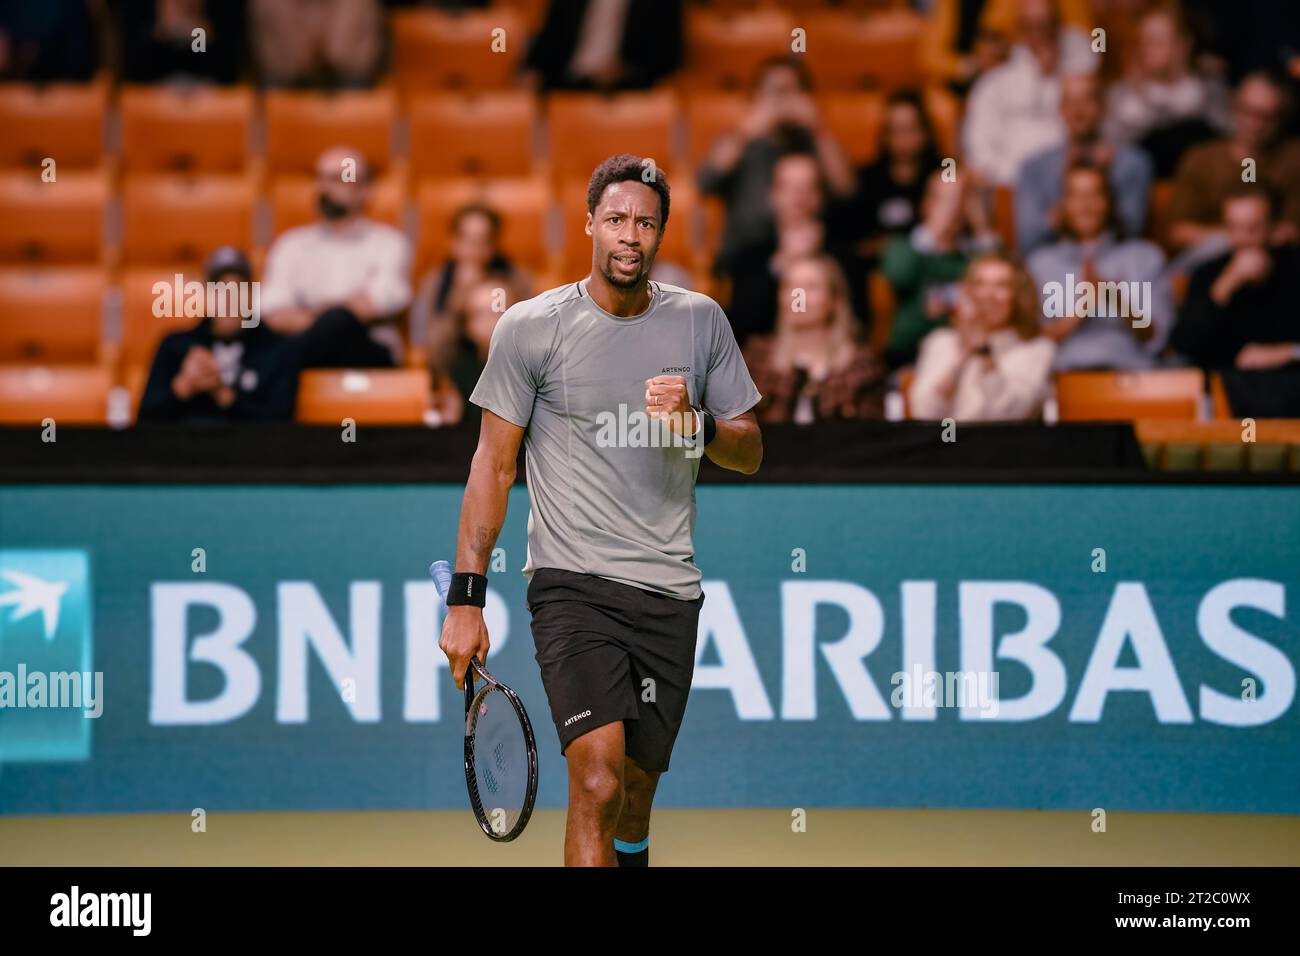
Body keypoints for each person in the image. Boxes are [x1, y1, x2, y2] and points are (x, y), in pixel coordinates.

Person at [437, 154, 762, 868]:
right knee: (597, 780)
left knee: (634, 796)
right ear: (589, 224)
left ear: (661, 233)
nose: (629, 236)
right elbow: (492, 466)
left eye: (645, 223)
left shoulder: (701, 321)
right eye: (616, 219)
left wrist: (699, 423)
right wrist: (467, 598)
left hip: (669, 592)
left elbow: (750, 451)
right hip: (572, 587)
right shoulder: (531, 328)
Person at [698, 56, 856, 272]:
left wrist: (818, 126)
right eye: (772, 91)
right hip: (745, 260)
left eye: (790, 91)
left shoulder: (815, 141)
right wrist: (744, 132)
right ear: (755, 98)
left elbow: (847, 190)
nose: (781, 101)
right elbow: (705, 183)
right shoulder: (739, 141)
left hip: (810, 257)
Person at [260, 147, 411, 368]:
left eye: (339, 179)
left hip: (367, 352)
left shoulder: (389, 243)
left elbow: (379, 302)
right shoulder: (291, 245)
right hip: (306, 354)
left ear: (365, 190)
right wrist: (330, 320)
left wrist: (316, 316)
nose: (326, 187)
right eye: (320, 178)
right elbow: (274, 312)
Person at [1027, 162, 1173, 370]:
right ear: (1061, 205)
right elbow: (1032, 343)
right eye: (1075, 195)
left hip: (1130, 374)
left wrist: (1118, 302)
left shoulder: (1145, 257)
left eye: (1095, 194)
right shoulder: (1040, 264)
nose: (1085, 204)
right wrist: (1082, 308)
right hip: (1063, 375)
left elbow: (1156, 338)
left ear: (1110, 202)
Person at [138, 247, 299, 422]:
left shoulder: (275, 349)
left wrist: (223, 394)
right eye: (219, 289)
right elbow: (144, 421)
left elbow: (281, 425)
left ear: (251, 295)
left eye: (238, 288)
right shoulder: (176, 346)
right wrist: (184, 385)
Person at [725, 151, 865, 347]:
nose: (799, 197)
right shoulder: (750, 256)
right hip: (765, 358)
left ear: (820, 197)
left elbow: (859, 324)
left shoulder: (844, 256)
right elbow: (740, 327)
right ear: (772, 195)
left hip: (830, 355)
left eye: (808, 188)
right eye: (789, 188)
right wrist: (782, 263)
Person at [960, 0, 1098, 187]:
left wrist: (1052, 74)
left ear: (1058, 26)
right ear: (1020, 30)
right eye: (1031, 27)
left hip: (1068, 179)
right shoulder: (995, 82)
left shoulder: (1076, 72)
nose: (1041, 35)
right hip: (1008, 180)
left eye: (1047, 25)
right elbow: (978, 147)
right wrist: (1004, 177)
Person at [1016, 71, 1154, 255]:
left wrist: (1106, 178)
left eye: (1087, 100)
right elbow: (1028, 240)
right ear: (1060, 109)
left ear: (1103, 106)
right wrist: (1068, 182)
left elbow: (1132, 231)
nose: (1077, 110)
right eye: (1069, 101)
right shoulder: (1034, 168)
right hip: (1053, 264)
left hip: (1114, 262)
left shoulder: (1132, 163)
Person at [909, 252, 1055, 421]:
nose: (988, 295)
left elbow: (1012, 413)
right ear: (967, 293)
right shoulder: (940, 341)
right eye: (979, 284)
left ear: (1018, 296)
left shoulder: (1037, 349)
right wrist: (962, 356)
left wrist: (985, 353)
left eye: (1002, 286)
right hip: (948, 437)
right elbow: (925, 412)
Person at [743, 255, 887, 423]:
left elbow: (872, 433)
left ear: (834, 300)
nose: (798, 297)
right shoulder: (757, 358)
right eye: (789, 286)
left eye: (811, 287)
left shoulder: (861, 365)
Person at [1167, 72, 1300, 254]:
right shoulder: (1201, 159)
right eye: (1247, 111)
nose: (1255, 124)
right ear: (1233, 106)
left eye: (1265, 116)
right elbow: (1178, 232)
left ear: (1282, 117)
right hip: (1213, 256)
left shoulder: (1294, 158)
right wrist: (1238, 238)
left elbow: (1292, 229)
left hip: (1278, 257)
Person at [880, 171, 1001, 367]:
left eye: (961, 200)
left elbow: (1003, 278)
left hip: (971, 357)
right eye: (945, 200)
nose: (953, 209)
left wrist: (981, 226)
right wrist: (933, 232)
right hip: (911, 357)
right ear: (926, 203)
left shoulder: (975, 254)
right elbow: (899, 276)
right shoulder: (905, 246)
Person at [1171, 190, 1300, 373]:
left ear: (1274, 227)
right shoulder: (1208, 274)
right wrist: (1224, 287)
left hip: (1289, 380)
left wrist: (1289, 352)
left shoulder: (1293, 268)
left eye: (1253, 228)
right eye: (1234, 228)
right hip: (1225, 382)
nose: (1243, 238)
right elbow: (1182, 345)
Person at [1101, 6, 1230, 178]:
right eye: (1142, 41)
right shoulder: (1122, 94)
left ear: (1183, 44)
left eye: (1156, 41)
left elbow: (1226, 141)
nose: (1146, 49)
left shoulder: (1209, 87)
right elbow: (1112, 149)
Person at [410, 204, 532, 376]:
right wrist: (460, 296)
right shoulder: (434, 283)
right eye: (467, 238)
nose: (474, 247)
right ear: (453, 242)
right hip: (453, 369)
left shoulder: (517, 280)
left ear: (494, 244)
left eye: (482, 239)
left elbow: (531, 334)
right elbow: (431, 347)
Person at [843, 91, 943, 258]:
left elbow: (953, 185)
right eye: (894, 130)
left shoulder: (945, 166)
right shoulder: (867, 176)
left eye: (910, 129)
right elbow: (855, 242)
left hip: (932, 258)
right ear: (884, 135)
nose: (903, 138)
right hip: (878, 262)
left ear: (926, 132)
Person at [521, 0, 682, 91]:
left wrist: (625, 71)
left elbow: (668, 56)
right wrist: (531, 70)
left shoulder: (661, 3)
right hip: (568, 85)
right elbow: (549, 40)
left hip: (631, 90)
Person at [427, 275, 516, 427]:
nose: (490, 322)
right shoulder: (459, 369)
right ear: (467, 325)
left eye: (498, 311)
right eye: (480, 314)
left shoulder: (535, 365)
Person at [251, 0, 381, 88]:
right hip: (287, 74)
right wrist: (304, 49)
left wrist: (329, 48)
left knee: (353, 82)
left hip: (346, 76)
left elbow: (344, 51)